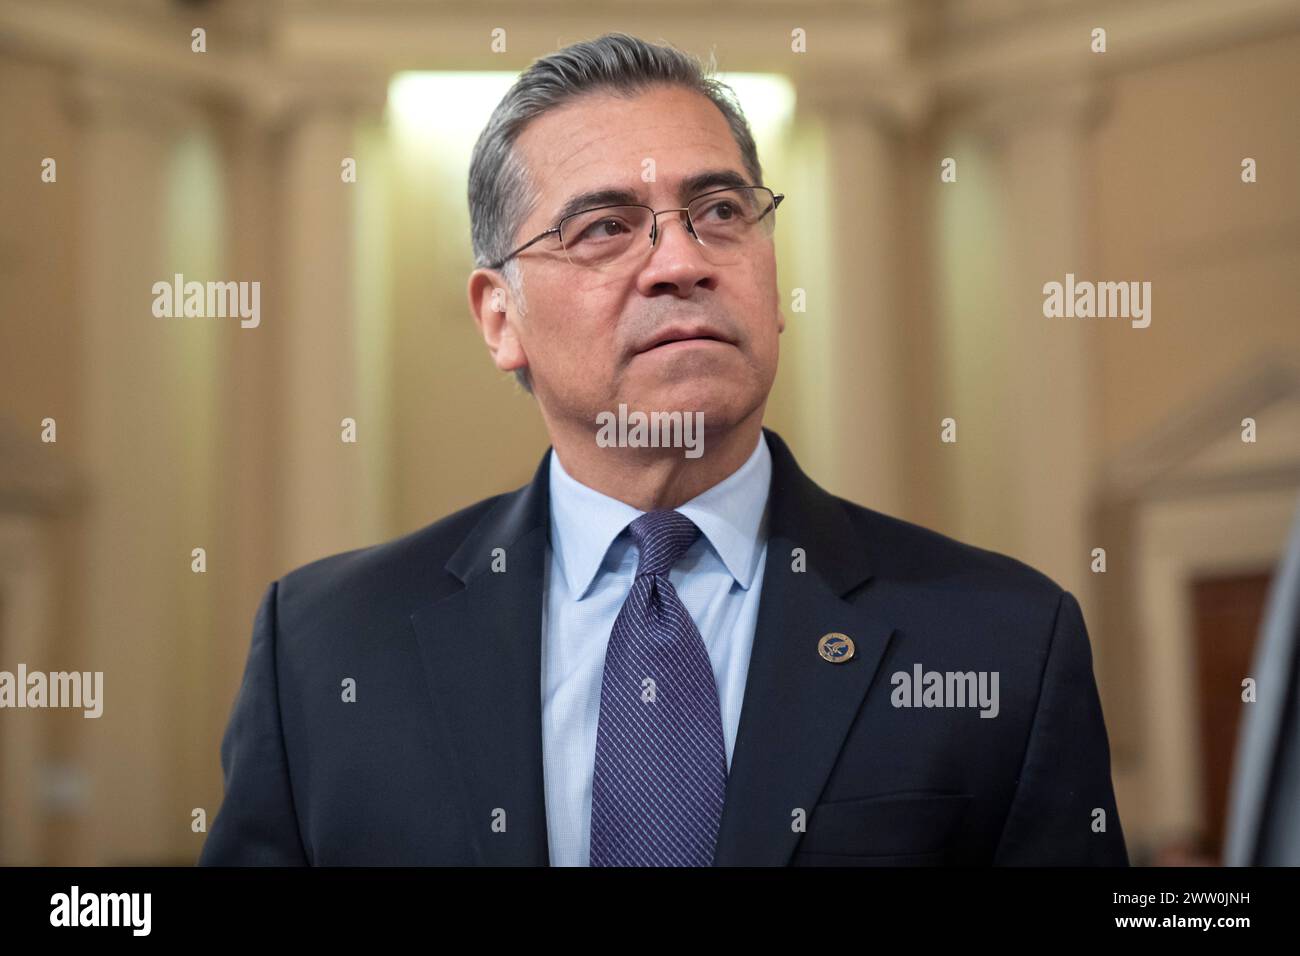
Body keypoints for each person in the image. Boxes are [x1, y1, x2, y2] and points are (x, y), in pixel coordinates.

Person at [199, 32, 1127, 866]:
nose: (683, 261)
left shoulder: (1003, 639)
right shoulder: (323, 650)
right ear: (499, 318)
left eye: (720, 210)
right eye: (604, 227)